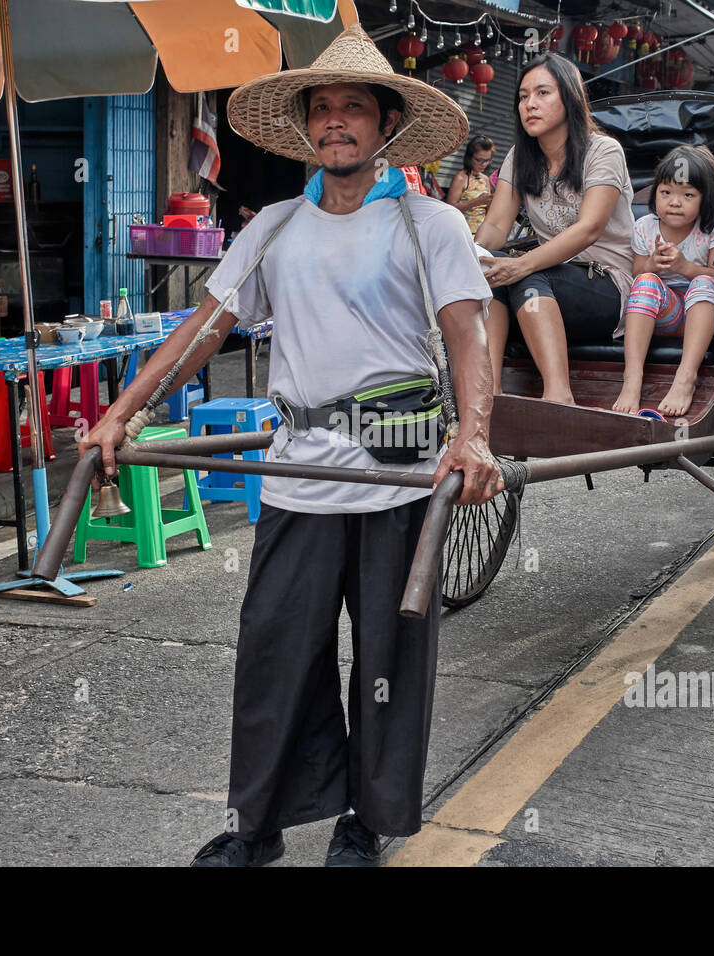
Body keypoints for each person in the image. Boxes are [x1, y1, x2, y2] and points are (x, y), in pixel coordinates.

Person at [80, 25, 500, 867]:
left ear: (386, 128)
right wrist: (122, 410)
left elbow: (469, 334)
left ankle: (368, 820)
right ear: (308, 126)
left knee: (388, 660)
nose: (337, 122)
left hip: (398, 474)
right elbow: (204, 330)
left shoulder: (430, 225)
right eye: (323, 109)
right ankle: (257, 825)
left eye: (354, 108)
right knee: (276, 653)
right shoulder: (273, 226)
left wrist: (475, 436)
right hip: (299, 473)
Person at [475, 51, 635, 405]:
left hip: (608, 286)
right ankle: (489, 395)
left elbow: (589, 228)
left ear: (570, 98)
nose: (530, 104)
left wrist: (521, 265)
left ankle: (559, 397)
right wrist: (473, 259)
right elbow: (497, 225)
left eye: (543, 93)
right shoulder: (520, 156)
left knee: (523, 273)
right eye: (523, 96)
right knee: (491, 268)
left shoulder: (603, 151)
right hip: (546, 282)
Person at [613, 145, 714, 417]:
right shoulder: (645, 226)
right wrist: (651, 264)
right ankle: (632, 379)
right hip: (662, 314)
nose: (675, 202)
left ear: (706, 198)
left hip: (702, 318)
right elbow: (636, 269)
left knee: (705, 283)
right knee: (645, 279)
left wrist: (686, 267)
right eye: (665, 192)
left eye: (688, 195)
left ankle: (686, 377)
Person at [446, 134, 495, 234]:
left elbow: (488, 212)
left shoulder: (485, 179)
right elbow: (450, 209)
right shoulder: (461, 178)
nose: (484, 164)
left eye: (487, 160)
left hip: (480, 235)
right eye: (479, 160)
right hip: (462, 233)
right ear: (470, 157)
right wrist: (476, 202)